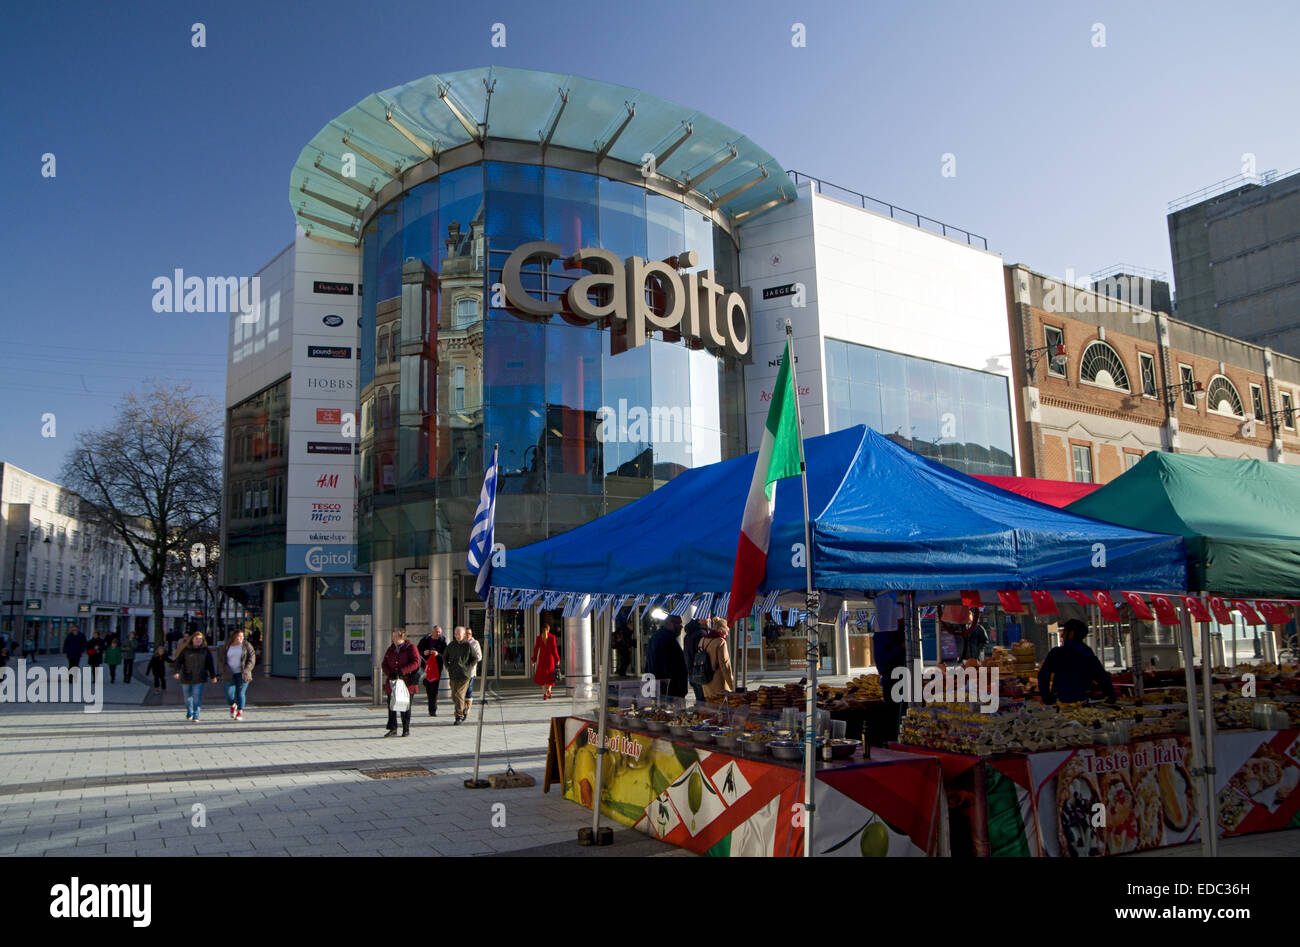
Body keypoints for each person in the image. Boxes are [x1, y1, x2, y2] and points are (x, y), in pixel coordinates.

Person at [1039, 618, 1118, 705]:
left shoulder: (1058, 653)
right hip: (1085, 703)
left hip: (1061, 702)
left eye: (1064, 632)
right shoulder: (1088, 654)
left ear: (1071, 633)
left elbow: (1044, 676)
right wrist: (1111, 696)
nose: (1061, 636)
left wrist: (1047, 699)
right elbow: (1102, 678)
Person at [871, 593, 908, 744]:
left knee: (904, 713)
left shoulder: (903, 629)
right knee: (894, 714)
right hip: (892, 678)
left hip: (905, 677)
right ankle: (893, 741)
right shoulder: (883, 633)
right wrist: (901, 647)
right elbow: (882, 660)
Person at [381, 628, 420, 737]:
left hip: (407, 682)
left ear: (401, 637)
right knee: (392, 705)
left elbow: (415, 662)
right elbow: (384, 664)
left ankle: (405, 728)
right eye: (392, 636)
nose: (393, 639)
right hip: (393, 682)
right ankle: (393, 728)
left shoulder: (410, 648)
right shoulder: (391, 649)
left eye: (395, 636)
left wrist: (402, 671)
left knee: (405, 705)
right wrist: (389, 673)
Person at [172, 631, 216, 722]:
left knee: (197, 696)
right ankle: (189, 710)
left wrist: (213, 675)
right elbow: (179, 661)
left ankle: (196, 715)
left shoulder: (205, 650)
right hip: (186, 676)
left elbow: (210, 664)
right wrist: (176, 671)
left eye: (200, 639)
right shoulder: (186, 650)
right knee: (187, 698)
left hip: (200, 677)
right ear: (192, 639)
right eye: (197, 638)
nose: (199, 640)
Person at [443, 626, 481, 724]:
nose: (457, 636)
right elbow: (445, 657)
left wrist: (468, 667)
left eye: (459, 634)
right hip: (453, 674)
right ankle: (464, 707)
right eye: (455, 634)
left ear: (464, 635)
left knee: (459, 694)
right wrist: (447, 666)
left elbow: (475, 658)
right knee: (454, 695)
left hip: (464, 675)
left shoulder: (468, 645)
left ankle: (459, 716)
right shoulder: (451, 645)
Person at [218, 629, 257, 720]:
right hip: (229, 674)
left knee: (240, 693)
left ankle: (240, 711)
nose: (241, 638)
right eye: (239, 636)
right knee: (229, 694)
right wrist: (224, 669)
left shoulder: (246, 646)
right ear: (234, 637)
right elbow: (221, 660)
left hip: (242, 674)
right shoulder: (227, 646)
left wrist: (247, 670)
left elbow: (252, 658)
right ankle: (232, 704)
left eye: (242, 636)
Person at [645, 615, 687, 699]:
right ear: (670, 624)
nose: (681, 626)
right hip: (670, 690)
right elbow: (669, 666)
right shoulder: (667, 639)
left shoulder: (658, 637)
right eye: (678, 623)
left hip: (663, 688)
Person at [699, 617, 736, 702]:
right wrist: (732, 685)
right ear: (721, 629)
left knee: (710, 710)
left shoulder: (703, 640)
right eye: (726, 631)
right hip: (718, 684)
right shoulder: (720, 642)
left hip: (705, 681)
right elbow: (725, 666)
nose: (726, 634)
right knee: (721, 711)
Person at [416, 625, 447, 717]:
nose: (438, 634)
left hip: (436, 668)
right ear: (432, 632)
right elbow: (417, 651)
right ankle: (431, 705)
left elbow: (445, 654)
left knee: (434, 688)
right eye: (436, 632)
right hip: (426, 667)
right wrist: (424, 653)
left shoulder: (442, 641)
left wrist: (438, 654)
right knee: (428, 686)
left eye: (439, 632)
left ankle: (432, 710)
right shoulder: (424, 640)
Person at [532, 622, 560, 700]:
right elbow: (555, 650)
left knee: (542, 677)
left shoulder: (539, 638)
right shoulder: (552, 637)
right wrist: (557, 659)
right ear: (549, 629)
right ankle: (549, 691)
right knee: (550, 676)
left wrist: (534, 660)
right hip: (550, 660)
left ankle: (544, 694)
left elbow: (536, 650)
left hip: (542, 660)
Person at [683, 619, 707, 702]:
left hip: (691, 672)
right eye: (707, 617)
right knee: (704, 701)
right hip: (701, 672)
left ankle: (698, 714)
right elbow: (703, 654)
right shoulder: (701, 634)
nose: (709, 620)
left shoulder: (687, 635)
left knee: (699, 699)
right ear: (700, 619)